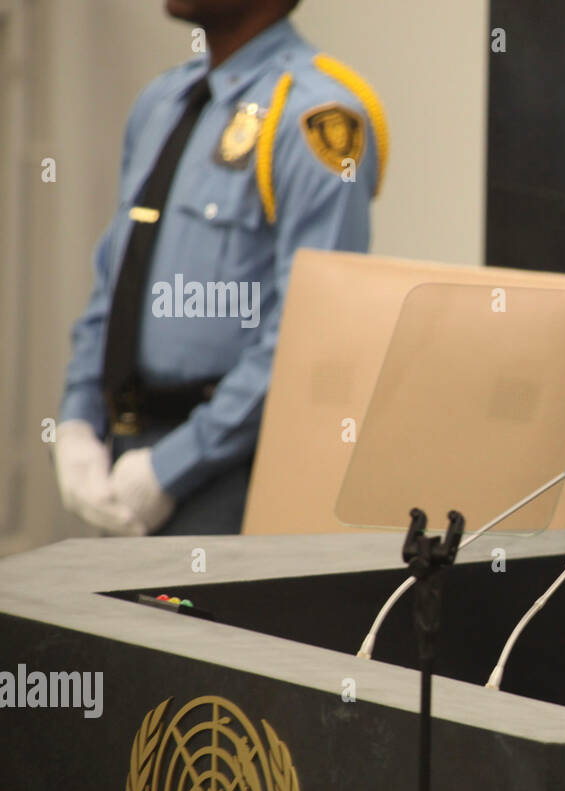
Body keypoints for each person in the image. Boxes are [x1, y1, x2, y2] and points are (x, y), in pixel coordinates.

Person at [52, 0, 387, 535]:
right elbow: (117, 278)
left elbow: (311, 333)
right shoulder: (163, 102)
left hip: (230, 469)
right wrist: (76, 418)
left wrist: (171, 468)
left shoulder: (316, 117)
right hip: (125, 451)